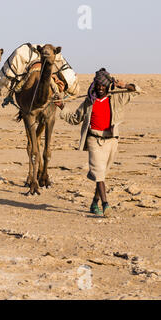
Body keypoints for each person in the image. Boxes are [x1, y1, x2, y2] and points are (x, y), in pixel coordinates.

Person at [56, 68, 142, 216]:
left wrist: (124, 85)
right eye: (98, 85)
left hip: (111, 140)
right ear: (94, 85)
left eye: (103, 86)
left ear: (108, 86)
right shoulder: (89, 101)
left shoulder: (117, 97)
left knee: (102, 174)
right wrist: (62, 106)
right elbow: (75, 119)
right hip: (94, 140)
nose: (100, 88)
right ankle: (105, 204)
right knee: (99, 173)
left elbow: (137, 91)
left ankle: (94, 202)